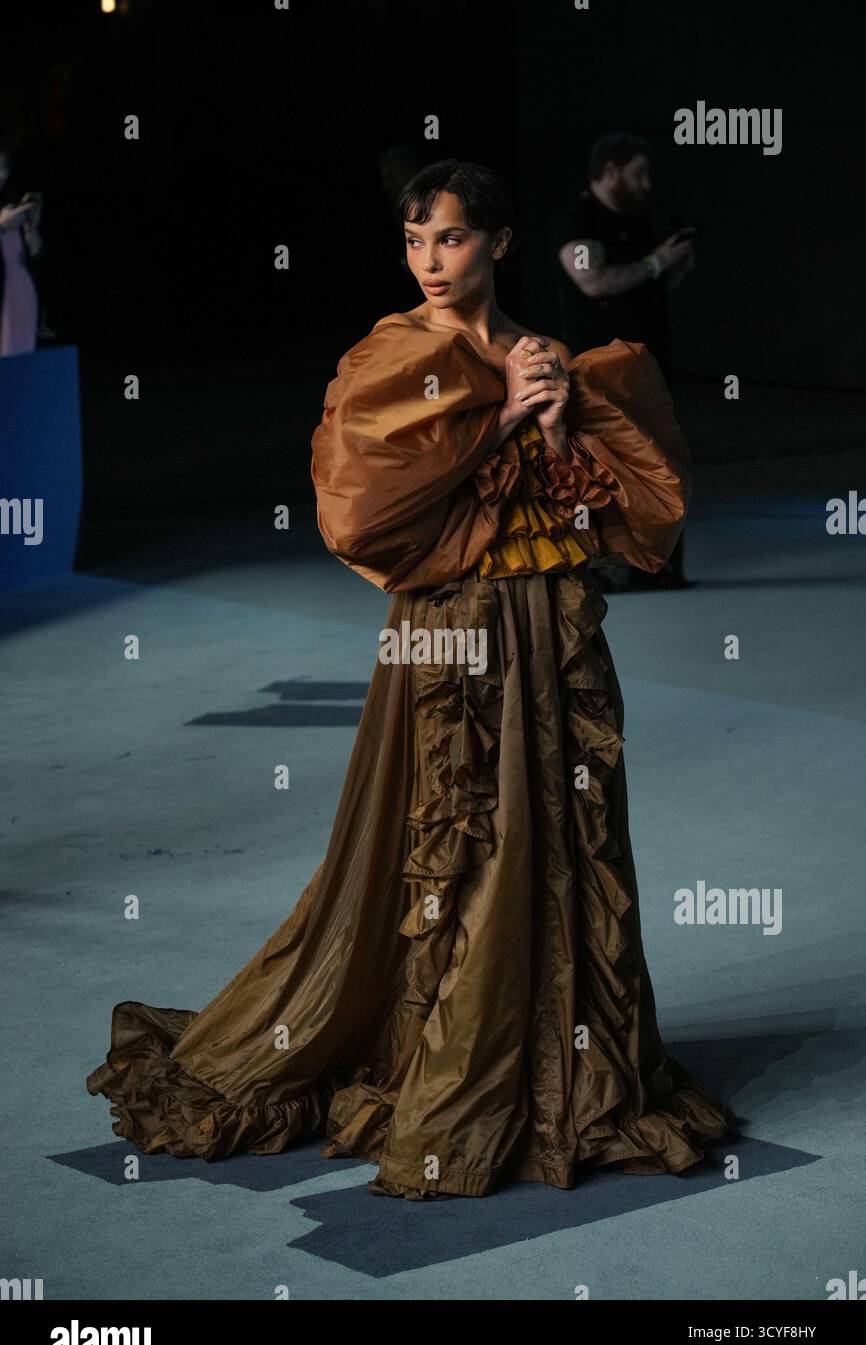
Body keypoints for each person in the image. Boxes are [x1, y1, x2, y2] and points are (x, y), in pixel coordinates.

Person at [87, 159, 735, 1199]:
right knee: (462, 830)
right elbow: (361, 512)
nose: (430, 260)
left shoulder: (542, 353)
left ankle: (559, 1060)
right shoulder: (397, 355)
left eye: (452, 237)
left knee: (562, 830)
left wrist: (557, 423)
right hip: (450, 630)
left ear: (500, 243)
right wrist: (500, 422)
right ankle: (450, 1056)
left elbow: (614, 524)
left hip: (550, 626)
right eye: (414, 239)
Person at [553, 132, 695, 589]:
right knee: (606, 465)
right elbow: (592, 281)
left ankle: (655, 564)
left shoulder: (637, 220)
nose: (646, 184)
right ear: (610, 171)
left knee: (658, 462)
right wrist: (655, 263)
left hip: (646, 368)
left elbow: (641, 284)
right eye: (638, 173)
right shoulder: (580, 219)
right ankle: (609, 568)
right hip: (600, 370)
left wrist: (669, 269)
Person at [0, 139, 41, 357]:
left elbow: (34, 253)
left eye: (4, 168)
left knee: (19, 355)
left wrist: (31, 228)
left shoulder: (10, 204)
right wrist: (2, 227)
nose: (2, 175)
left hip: (18, 289)